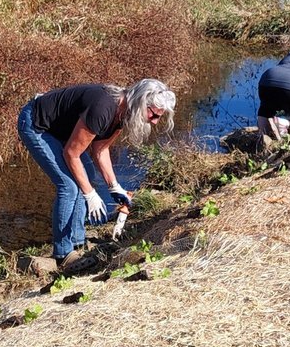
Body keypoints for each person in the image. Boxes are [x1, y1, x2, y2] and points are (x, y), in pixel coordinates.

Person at [18, 78, 175, 267]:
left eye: (159, 116)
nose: (155, 121)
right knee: (69, 186)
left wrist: (114, 186)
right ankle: (63, 255)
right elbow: (71, 154)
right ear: (141, 102)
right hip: (37, 124)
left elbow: (100, 150)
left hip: (61, 130)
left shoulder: (123, 112)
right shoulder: (103, 108)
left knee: (87, 175)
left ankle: (77, 242)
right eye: (153, 114)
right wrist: (90, 194)